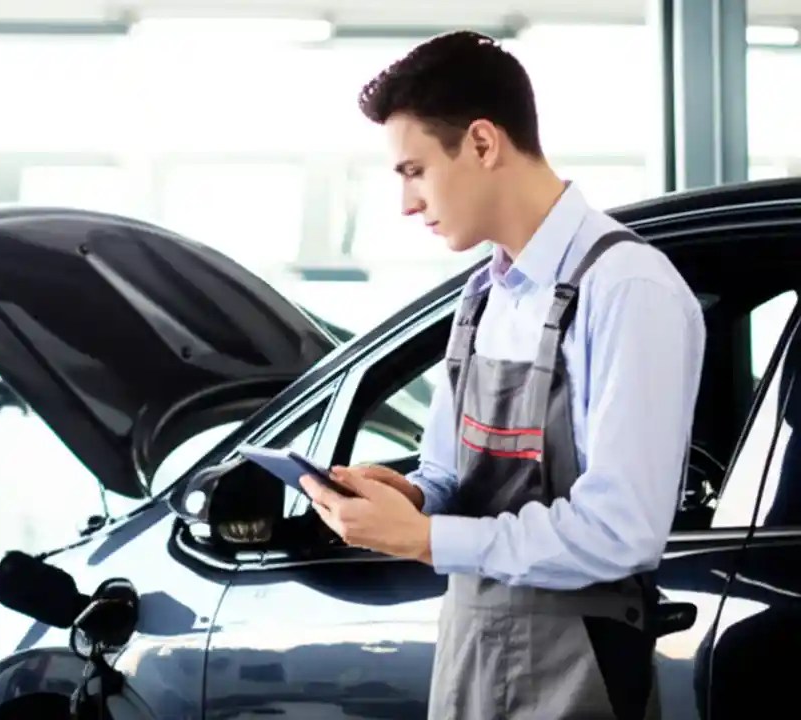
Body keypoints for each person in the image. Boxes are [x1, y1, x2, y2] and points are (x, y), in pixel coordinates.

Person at [297, 30, 706, 720]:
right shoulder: (482, 294)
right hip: (471, 652)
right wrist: (410, 497)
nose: (406, 204)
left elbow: (621, 530)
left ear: (483, 144)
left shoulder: (629, 289)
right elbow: (450, 473)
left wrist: (428, 540)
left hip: (577, 668)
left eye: (413, 171)